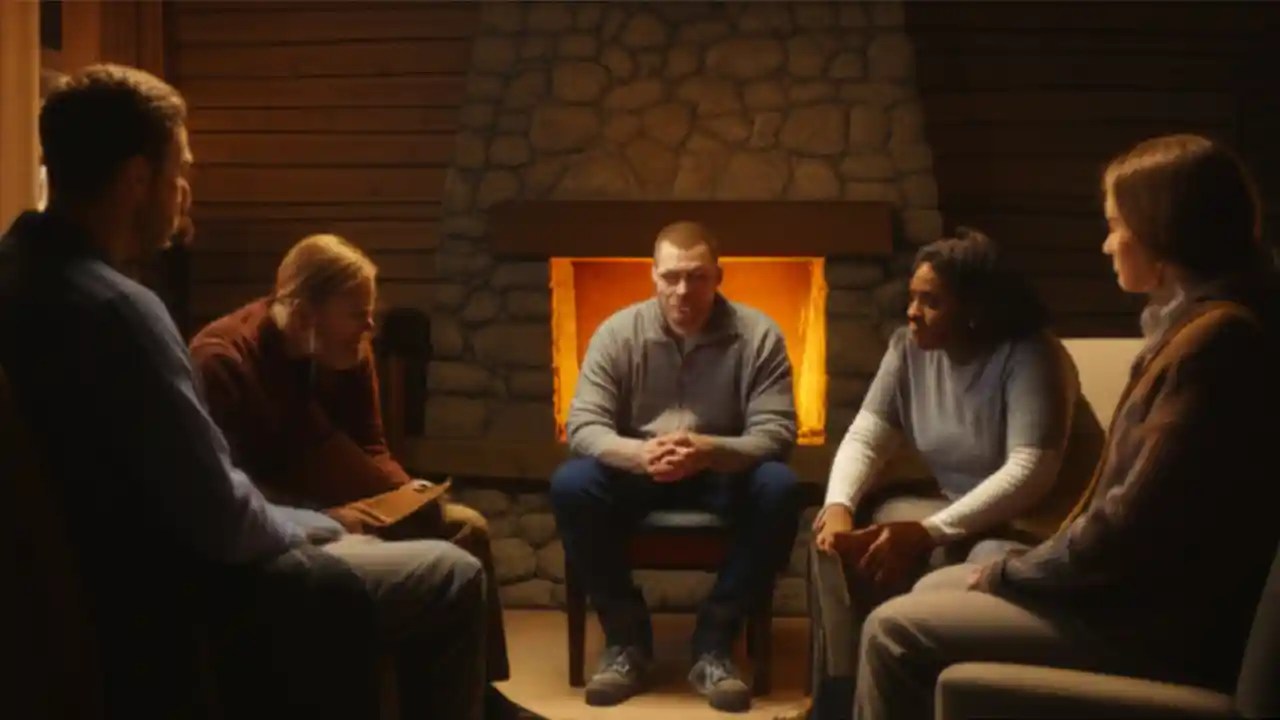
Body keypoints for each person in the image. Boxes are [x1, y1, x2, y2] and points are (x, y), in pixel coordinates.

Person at [0, 64, 487, 719]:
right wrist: (322, 527)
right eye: (181, 172)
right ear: (138, 180)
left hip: (77, 595)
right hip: (180, 594)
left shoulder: (16, 275)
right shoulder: (122, 313)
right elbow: (226, 523)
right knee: (451, 573)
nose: (184, 194)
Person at [853, 134, 1280, 719]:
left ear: (1161, 232)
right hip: (1125, 600)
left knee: (895, 632)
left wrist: (1007, 573)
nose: (1106, 244)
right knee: (931, 591)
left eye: (1115, 224)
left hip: (1145, 626)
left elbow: (1124, 529)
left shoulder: (1215, 346)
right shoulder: (1195, 334)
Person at [188, 232, 526, 718]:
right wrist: (328, 516)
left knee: (466, 527)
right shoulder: (223, 362)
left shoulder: (349, 350)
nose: (370, 325)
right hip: (282, 522)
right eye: (357, 313)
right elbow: (232, 491)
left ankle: (481, 695)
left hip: (341, 500)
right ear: (305, 315)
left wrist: (406, 492)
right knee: (447, 560)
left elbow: (371, 445)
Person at [803, 229, 1081, 718]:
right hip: (952, 504)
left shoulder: (1030, 355)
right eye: (912, 297)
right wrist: (839, 505)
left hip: (1033, 524)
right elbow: (869, 435)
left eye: (930, 301)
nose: (912, 311)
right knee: (838, 546)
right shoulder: (907, 349)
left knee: (968, 561)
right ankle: (836, 702)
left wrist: (927, 533)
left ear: (974, 309)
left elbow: (1032, 468)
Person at [549, 220, 802, 712]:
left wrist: (709, 450)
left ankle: (714, 641)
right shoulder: (617, 333)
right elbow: (584, 425)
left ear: (719, 276)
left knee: (780, 486)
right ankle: (627, 642)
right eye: (672, 277)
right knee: (572, 484)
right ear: (653, 276)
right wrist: (638, 455)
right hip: (639, 470)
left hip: (721, 470)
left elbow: (777, 433)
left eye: (698, 277)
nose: (683, 290)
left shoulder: (759, 335)